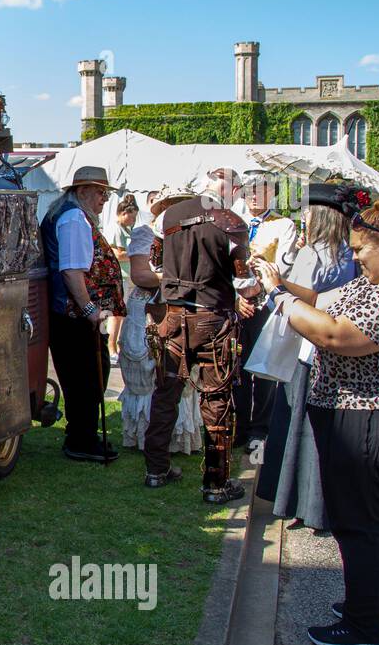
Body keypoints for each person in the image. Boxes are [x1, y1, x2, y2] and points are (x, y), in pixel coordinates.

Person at [252, 197, 379, 645]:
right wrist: (280, 284)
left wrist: (279, 299)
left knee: (360, 525)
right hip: (370, 419)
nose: (354, 257)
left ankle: (365, 630)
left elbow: (336, 336)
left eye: (361, 249)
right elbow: (325, 303)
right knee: (373, 520)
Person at [143, 169, 262, 502]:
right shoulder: (231, 220)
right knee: (216, 402)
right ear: (232, 188)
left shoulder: (169, 215)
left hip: (173, 318)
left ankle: (156, 470)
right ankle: (215, 483)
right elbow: (244, 279)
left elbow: (155, 262)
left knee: (165, 393)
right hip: (213, 321)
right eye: (238, 189)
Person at [255, 187, 357, 534]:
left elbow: (297, 302)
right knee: (326, 430)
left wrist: (273, 284)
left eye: (309, 212)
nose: (304, 217)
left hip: (309, 348)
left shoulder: (314, 253)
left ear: (323, 216)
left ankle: (300, 504)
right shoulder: (347, 252)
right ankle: (324, 507)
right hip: (337, 348)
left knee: (300, 426)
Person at [41, 165, 126, 462]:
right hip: (73, 314)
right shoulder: (74, 218)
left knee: (85, 376)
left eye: (105, 193)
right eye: (101, 192)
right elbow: (72, 270)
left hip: (70, 313)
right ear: (82, 191)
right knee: (86, 378)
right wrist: (90, 309)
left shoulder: (72, 214)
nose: (104, 199)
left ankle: (82, 435)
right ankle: (82, 440)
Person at [118, 186, 203, 455]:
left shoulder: (195, 236)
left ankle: (174, 439)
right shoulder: (146, 233)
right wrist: (181, 279)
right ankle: (150, 439)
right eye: (175, 204)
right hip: (149, 308)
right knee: (147, 367)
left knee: (182, 369)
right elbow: (141, 275)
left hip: (183, 307)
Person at [234, 170, 299, 448]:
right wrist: (237, 295)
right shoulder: (233, 222)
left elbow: (285, 264)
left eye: (259, 191)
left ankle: (259, 428)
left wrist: (257, 289)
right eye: (249, 191)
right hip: (237, 303)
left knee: (261, 369)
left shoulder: (283, 225)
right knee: (236, 368)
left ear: (271, 193)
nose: (253, 197)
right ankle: (238, 425)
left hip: (265, 303)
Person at [104, 193, 137, 360]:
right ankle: (110, 348)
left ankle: (117, 345)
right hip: (119, 276)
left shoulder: (127, 229)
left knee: (122, 314)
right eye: (131, 217)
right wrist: (135, 253)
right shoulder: (115, 228)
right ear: (123, 214)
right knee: (115, 314)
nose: (133, 220)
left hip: (127, 275)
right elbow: (116, 253)